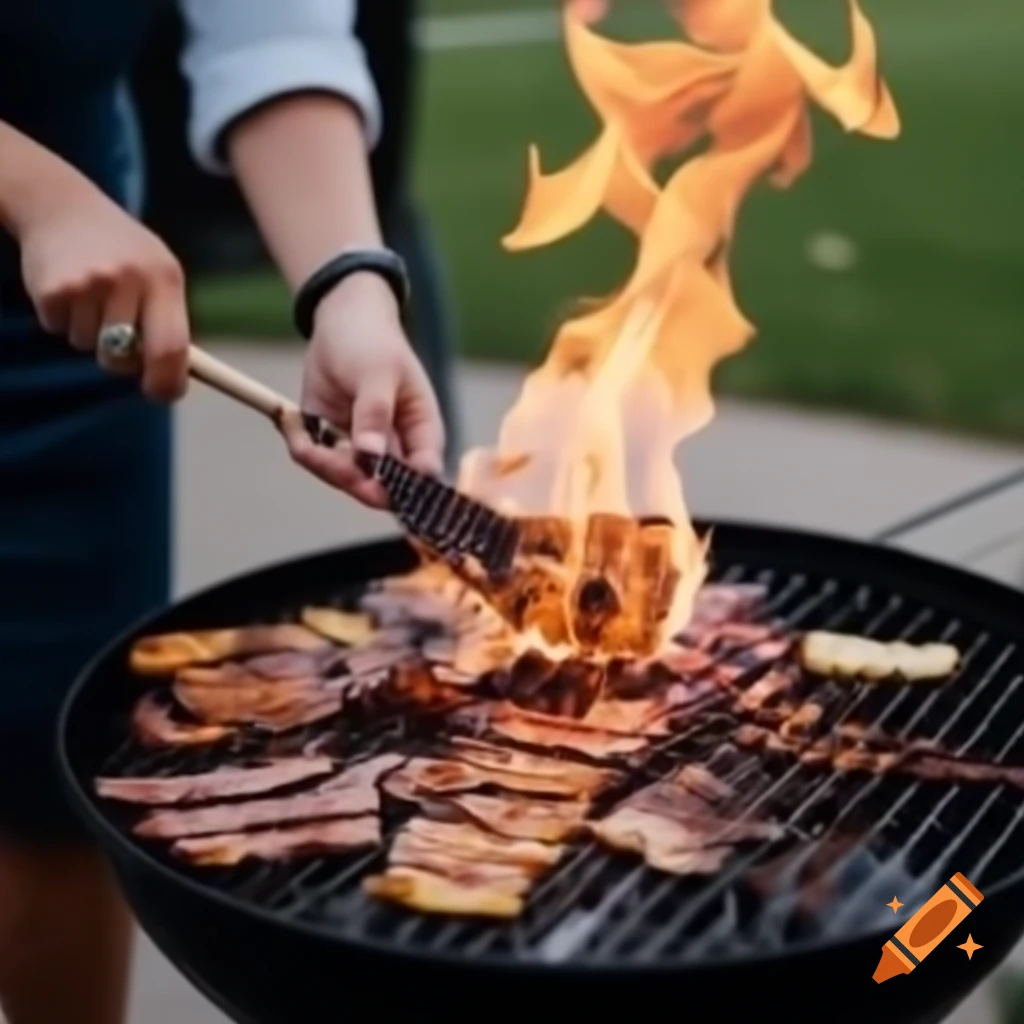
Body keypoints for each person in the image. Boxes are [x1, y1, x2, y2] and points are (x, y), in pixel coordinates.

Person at [0, 1, 446, 1021]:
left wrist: (350, 291)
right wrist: (30, 193)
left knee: (58, 771)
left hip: (80, 320)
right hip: (70, 226)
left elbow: (270, 27)